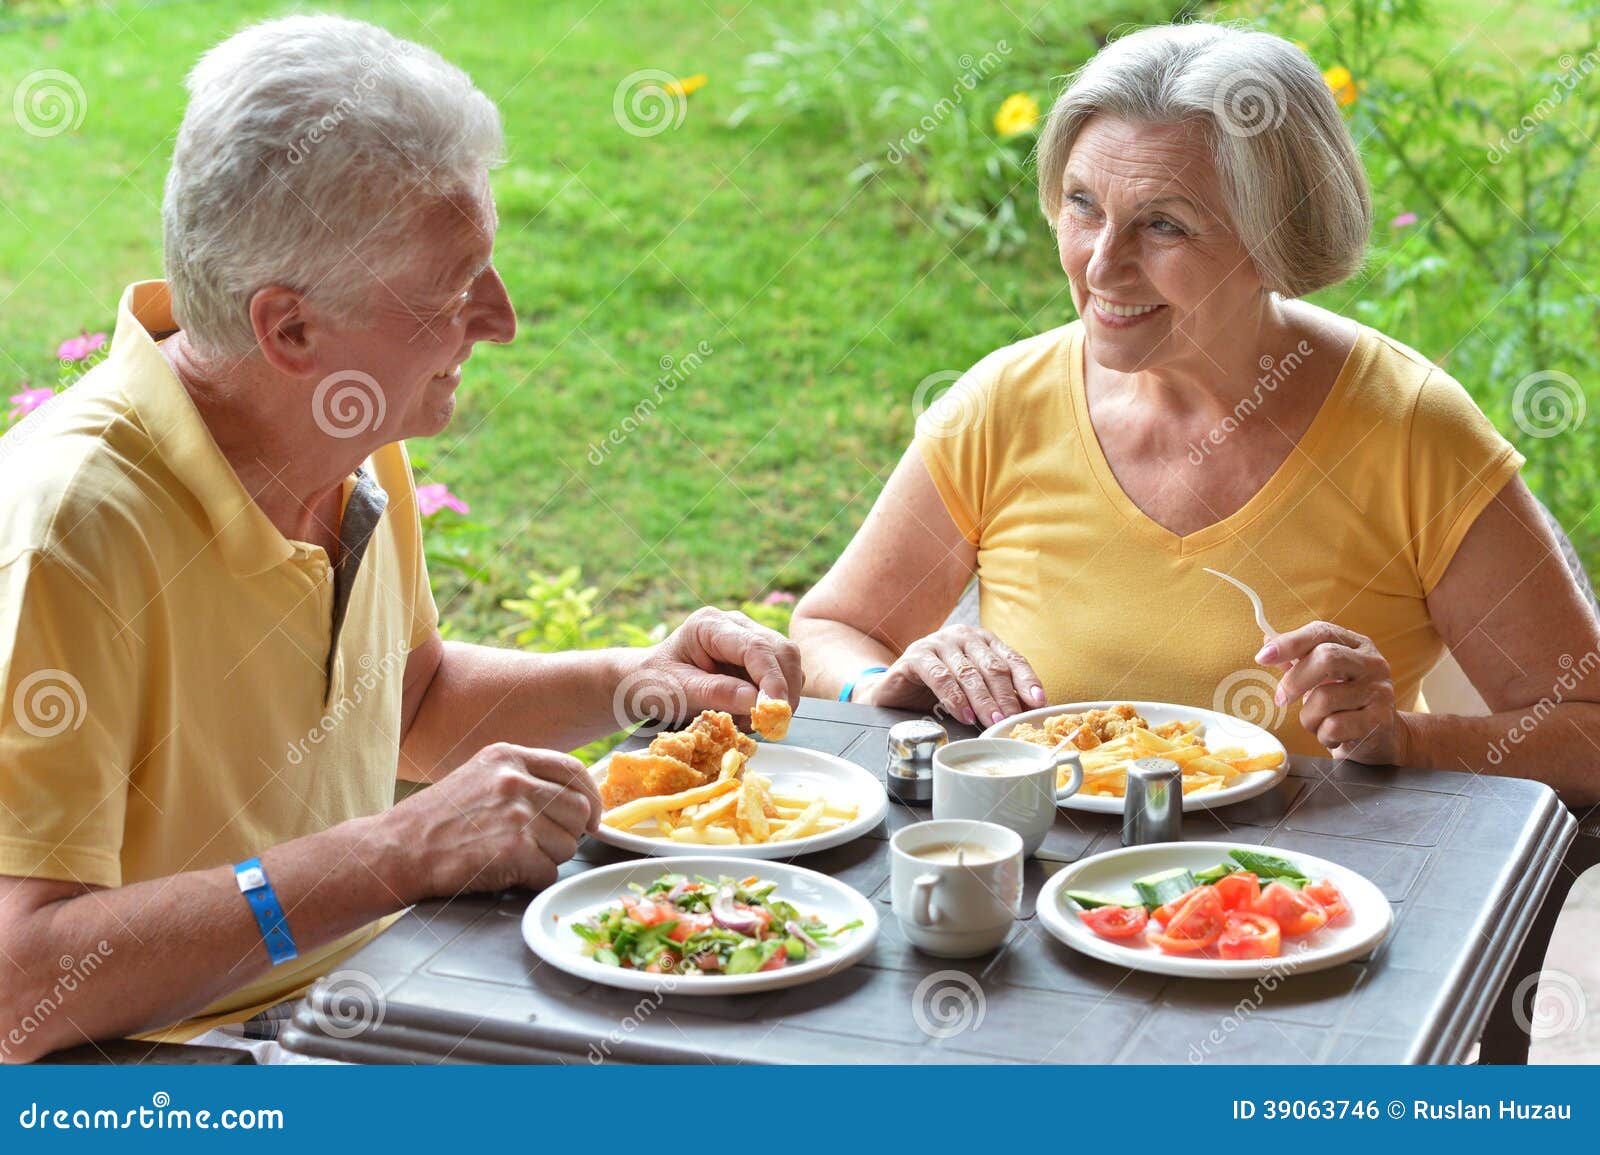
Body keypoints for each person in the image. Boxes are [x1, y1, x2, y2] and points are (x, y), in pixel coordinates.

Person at [0, 15, 800, 1062]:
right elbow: (22, 986)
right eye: (454, 288)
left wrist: (636, 680)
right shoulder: (70, 530)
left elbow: (409, 705)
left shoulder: (344, 431)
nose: (504, 320)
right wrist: (394, 854)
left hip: (362, 1002)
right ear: (290, 328)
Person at [792, 22, 1600, 800]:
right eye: (1082, 205)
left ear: (1276, 240)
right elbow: (831, 625)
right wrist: (876, 682)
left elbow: (1588, 731)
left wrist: (1405, 739)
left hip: (1301, 908)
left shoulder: (1412, 428)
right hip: (1037, 892)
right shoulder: (1003, 403)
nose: (1103, 265)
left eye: (1164, 224)